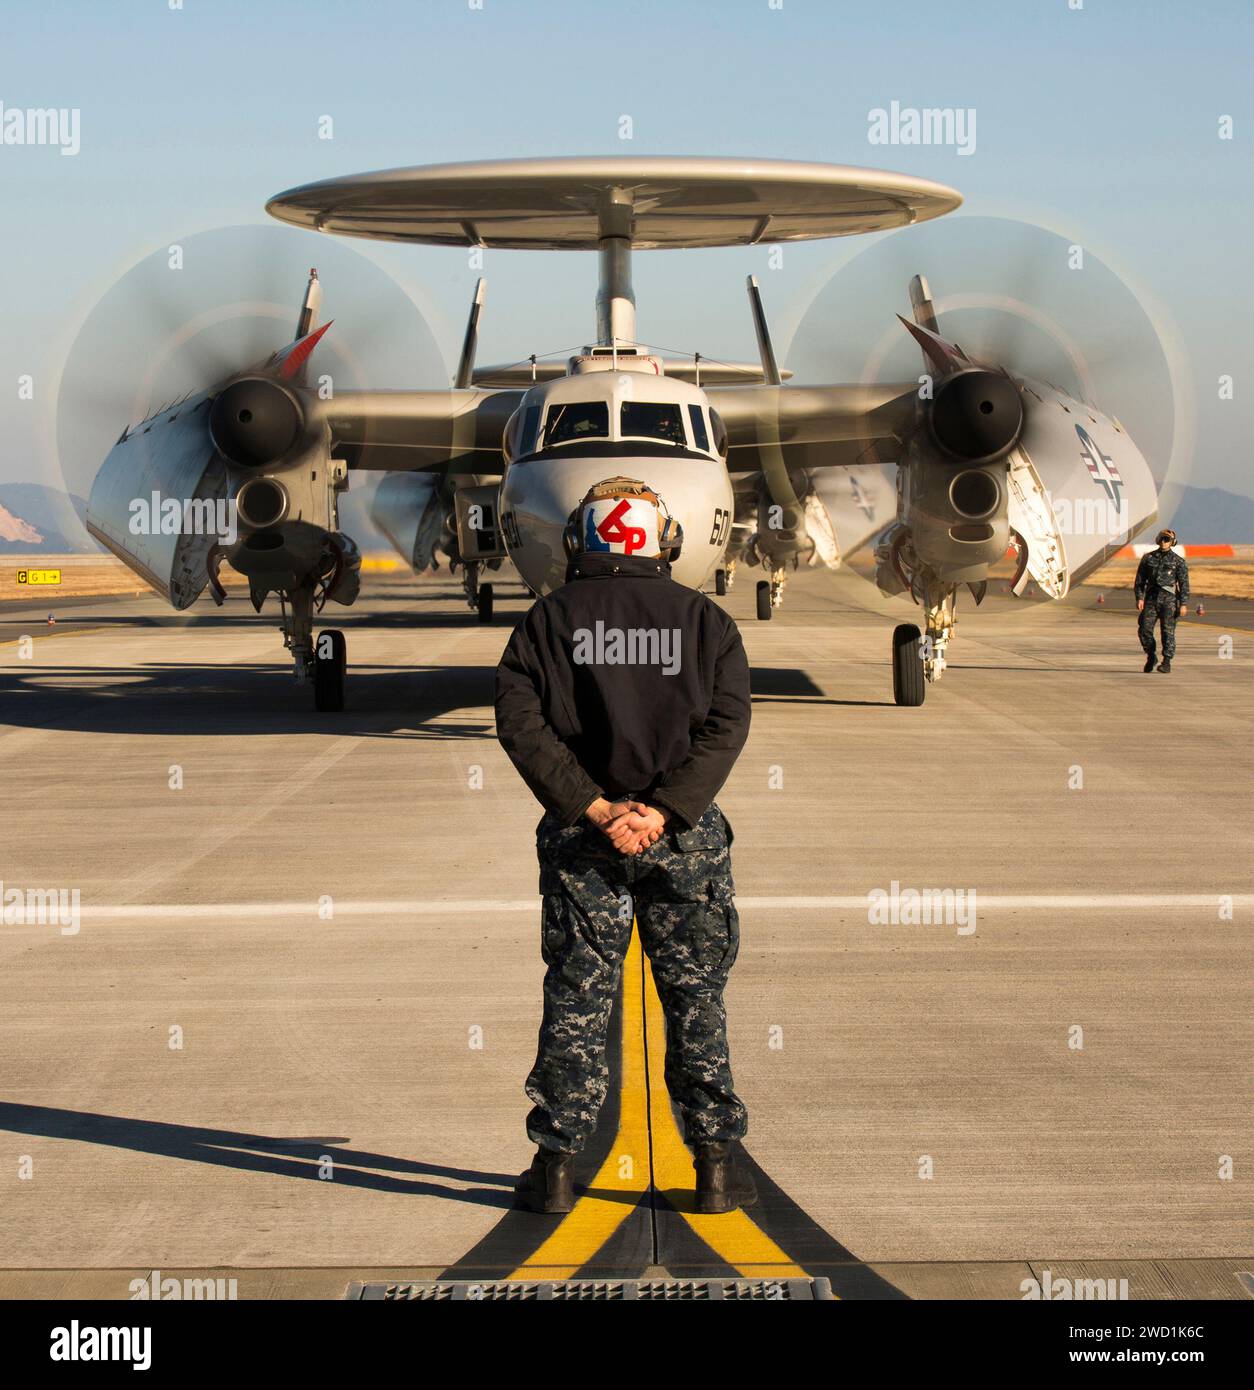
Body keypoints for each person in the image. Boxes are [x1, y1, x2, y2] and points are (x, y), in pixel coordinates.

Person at [495, 476, 755, 1216]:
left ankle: (552, 1170)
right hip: (685, 844)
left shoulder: (546, 623)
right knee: (695, 998)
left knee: (578, 996)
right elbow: (726, 727)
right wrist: (665, 813)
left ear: (581, 541)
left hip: (584, 842)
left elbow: (520, 723)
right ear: (663, 541)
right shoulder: (709, 624)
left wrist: (595, 806)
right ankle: (713, 1169)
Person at [1135, 529, 1190, 673]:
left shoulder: (1179, 562)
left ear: (1173, 542)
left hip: (1169, 600)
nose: (1164, 542)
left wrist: (1183, 603)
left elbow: (1184, 584)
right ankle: (1151, 656)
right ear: (1158, 540)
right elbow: (1140, 580)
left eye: (1167, 539)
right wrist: (1139, 597)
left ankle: (1166, 661)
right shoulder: (1148, 558)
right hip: (1151, 599)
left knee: (1168, 632)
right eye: (1162, 539)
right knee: (1144, 629)